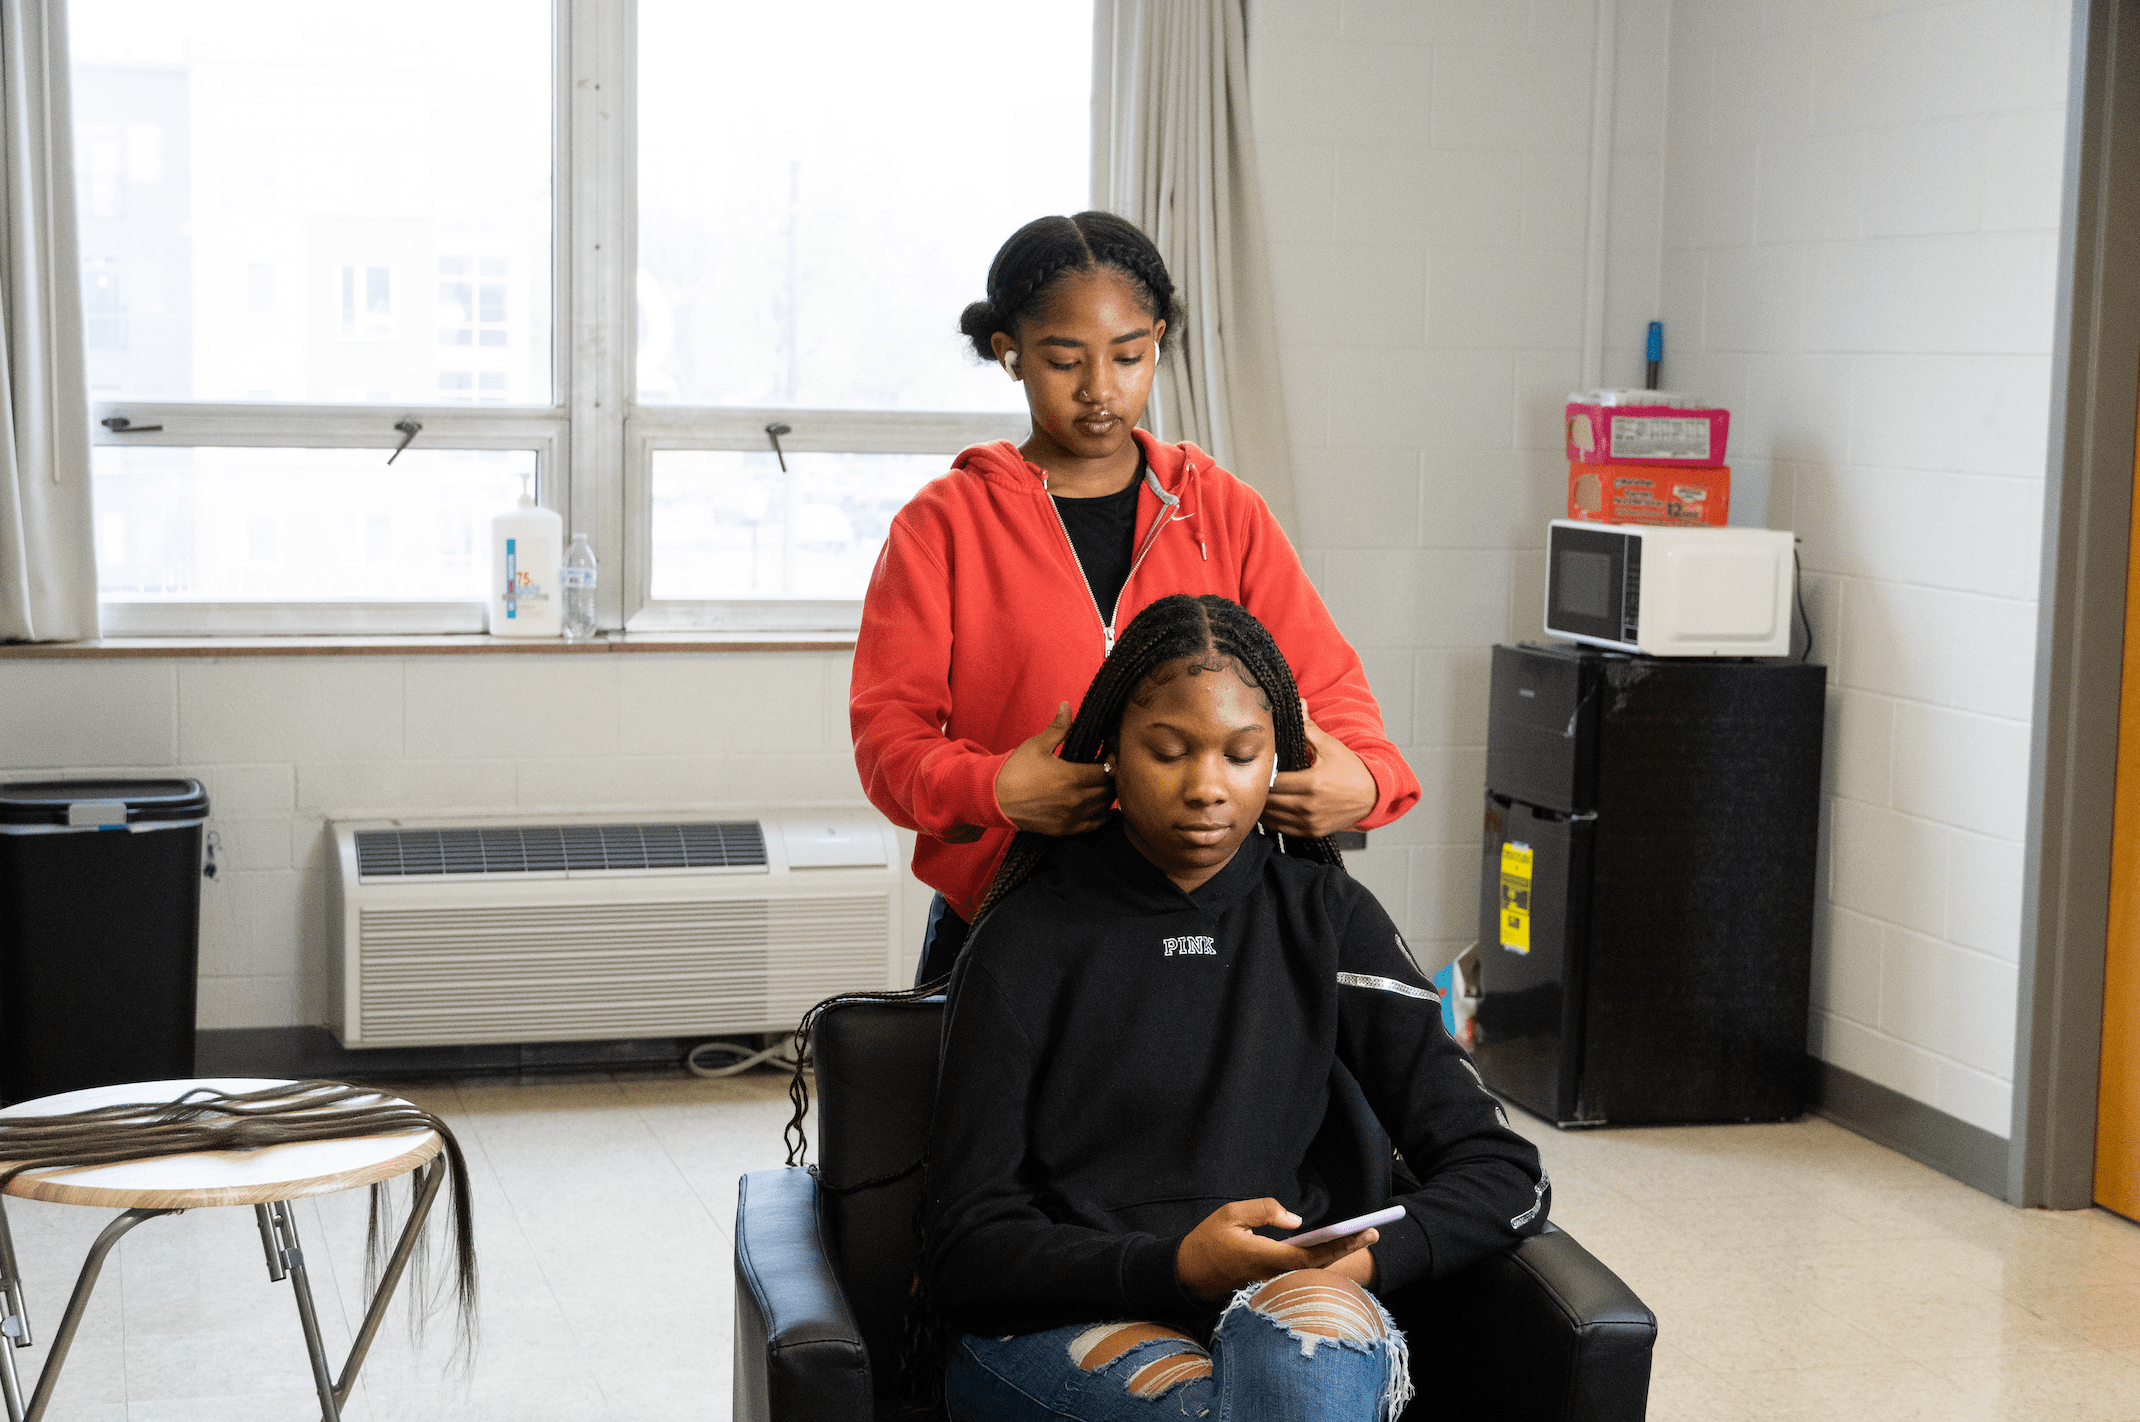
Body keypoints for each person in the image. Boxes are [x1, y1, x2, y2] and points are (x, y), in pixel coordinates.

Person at [920, 595, 1549, 1422]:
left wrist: (1357, 1266)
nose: (1207, 788)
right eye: (1169, 752)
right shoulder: (1023, 940)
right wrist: (1176, 1267)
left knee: (1295, 1384)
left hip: (1285, 1298)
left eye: (1243, 755)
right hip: (1058, 1319)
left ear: (1279, 763)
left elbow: (1505, 1172)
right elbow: (967, 1246)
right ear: (1109, 752)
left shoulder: (1329, 920)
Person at [851, 211, 1420, 983]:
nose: (1100, 391)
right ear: (1009, 354)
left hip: (1209, 931)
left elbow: (1331, 693)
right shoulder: (942, 525)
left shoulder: (1225, 510)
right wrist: (999, 791)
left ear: (1156, 341)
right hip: (1009, 929)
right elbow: (890, 745)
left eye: (1129, 356)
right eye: (1062, 361)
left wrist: (1370, 779)